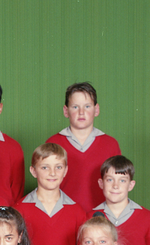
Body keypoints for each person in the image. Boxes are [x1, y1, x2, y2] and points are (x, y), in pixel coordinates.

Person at [13, 143, 85, 245]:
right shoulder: (19, 210)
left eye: (58, 167)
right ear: (33, 171)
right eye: (45, 167)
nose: (52, 173)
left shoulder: (77, 212)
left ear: (65, 171)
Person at [45, 82, 121, 211]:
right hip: (63, 215)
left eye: (87, 106)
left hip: (100, 219)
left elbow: (118, 186)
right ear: (66, 111)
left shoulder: (110, 144)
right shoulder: (53, 143)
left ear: (96, 110)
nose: (81, 112)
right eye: (75, 107)